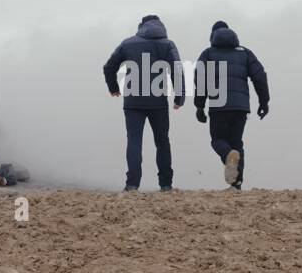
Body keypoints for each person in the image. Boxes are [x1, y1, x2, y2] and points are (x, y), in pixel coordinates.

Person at [103, 15, 183, 191]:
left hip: (133, 101)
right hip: (158, 101)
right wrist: (179, 97)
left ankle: (132, 184)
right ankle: (166, 185)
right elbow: (177, 70)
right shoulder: (168, 44)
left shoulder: (128, 43)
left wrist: (114, 88)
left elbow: (109, 67)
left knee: (134, 140)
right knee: (162, 141)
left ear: (141, 26)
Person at [194, 21, 269, 189]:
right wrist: (264, 102)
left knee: (218, 140)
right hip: (240, 107)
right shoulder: (245, 53)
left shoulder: (208, 53)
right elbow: (260, 77)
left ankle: (228, 156)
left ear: (212, 36)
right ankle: (236, 184)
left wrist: (199, 105)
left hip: (218, 106)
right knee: (237, 142)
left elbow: (200, 79)